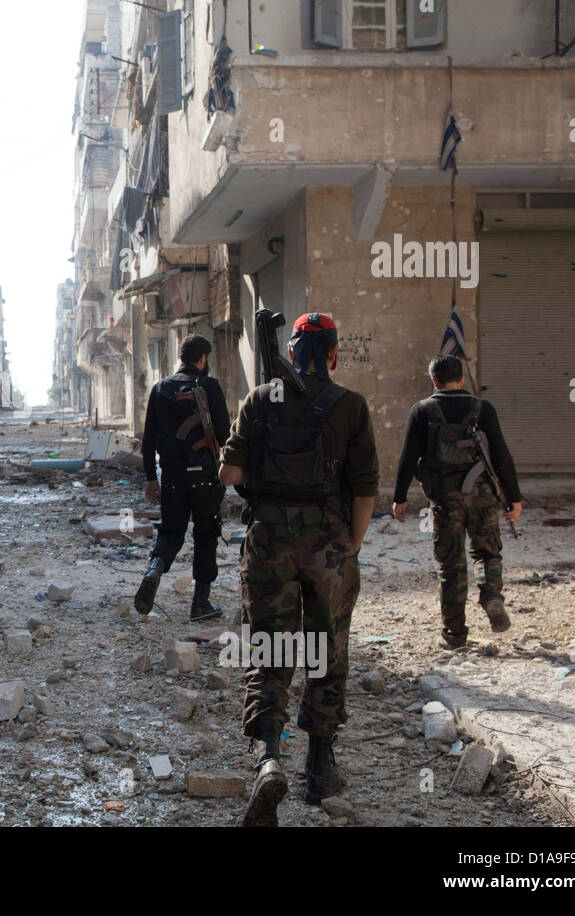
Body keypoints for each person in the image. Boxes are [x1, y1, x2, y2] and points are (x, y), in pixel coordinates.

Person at [219, 313, 378, 826]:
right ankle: (319, 768)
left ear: (291, 350)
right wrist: (347, 546)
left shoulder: (258, 400)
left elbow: (230, 473)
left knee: (270, 649)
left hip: (269, 542)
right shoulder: (350, 406)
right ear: (332, 355)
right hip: (330, 543)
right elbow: (366, 487)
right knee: (328, 648)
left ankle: (268, 761)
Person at [392, 355, 522, 648]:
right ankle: (490, 595)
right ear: (461, 379)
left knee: (451, 565)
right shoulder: (482, 409)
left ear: (434, 381)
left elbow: (408, 457)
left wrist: (400, 497)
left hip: (445, 500)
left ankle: (455, 635)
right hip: (483, 497)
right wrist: (513, 498)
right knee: (487, 553)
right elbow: (502, 455)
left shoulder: (422, 410)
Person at [135, 335, 232, 621]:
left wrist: (151, 478)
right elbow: (225, 432)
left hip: (173, 478)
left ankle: (154, 568)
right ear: (202, 358)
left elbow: (149, 438)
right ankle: (200, 603)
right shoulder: (210, 386)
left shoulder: (160, 388)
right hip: (206, 478)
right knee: (206, 535)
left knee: (171, 532)